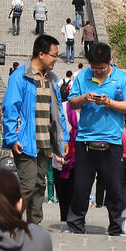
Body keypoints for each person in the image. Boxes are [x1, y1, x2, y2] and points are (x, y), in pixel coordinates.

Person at [64, 44, 126, 235]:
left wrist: (108, 102)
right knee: (80, 187)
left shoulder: (122, 78)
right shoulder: (83, 76)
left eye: (102, 68)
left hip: (112, 142)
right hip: (85, 140)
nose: (98, 71)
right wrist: (85, 98)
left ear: (110, 62)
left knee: (114, 188)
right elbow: (71, 102)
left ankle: (117, 228)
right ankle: (75, 226)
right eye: (94, 67)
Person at [2, 35, 67, 226]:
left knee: (40, 185)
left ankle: (34, 224)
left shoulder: (52, 80)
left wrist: (61, 141)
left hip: (45, 141)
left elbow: (58, 113)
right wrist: (12, 138)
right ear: (41, 54)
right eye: (53, 55)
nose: (56, 59)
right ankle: (7, 222)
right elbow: (10, 107)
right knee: (27, 185)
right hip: (25, 141)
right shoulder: (20, 76)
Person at [52, 94, 79, 222]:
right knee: (62, 191)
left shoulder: (88, 109)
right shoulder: (61, 108)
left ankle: (74, 218)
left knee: (76, 191)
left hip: (79, 158)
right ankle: (65, 218)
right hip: (60, 156)